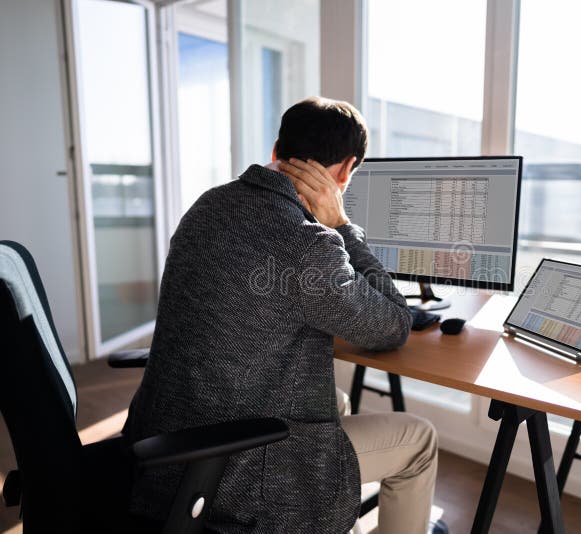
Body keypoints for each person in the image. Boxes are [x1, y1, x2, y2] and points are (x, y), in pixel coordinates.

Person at [123, 97, 441, 534]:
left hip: (163, 441)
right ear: (346, 170)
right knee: (419, 440)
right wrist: (343, 227)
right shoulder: (308, 243)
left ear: (276, 149)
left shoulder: (207, 205)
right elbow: (394, 325)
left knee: (337, 402)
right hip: (239, 473)